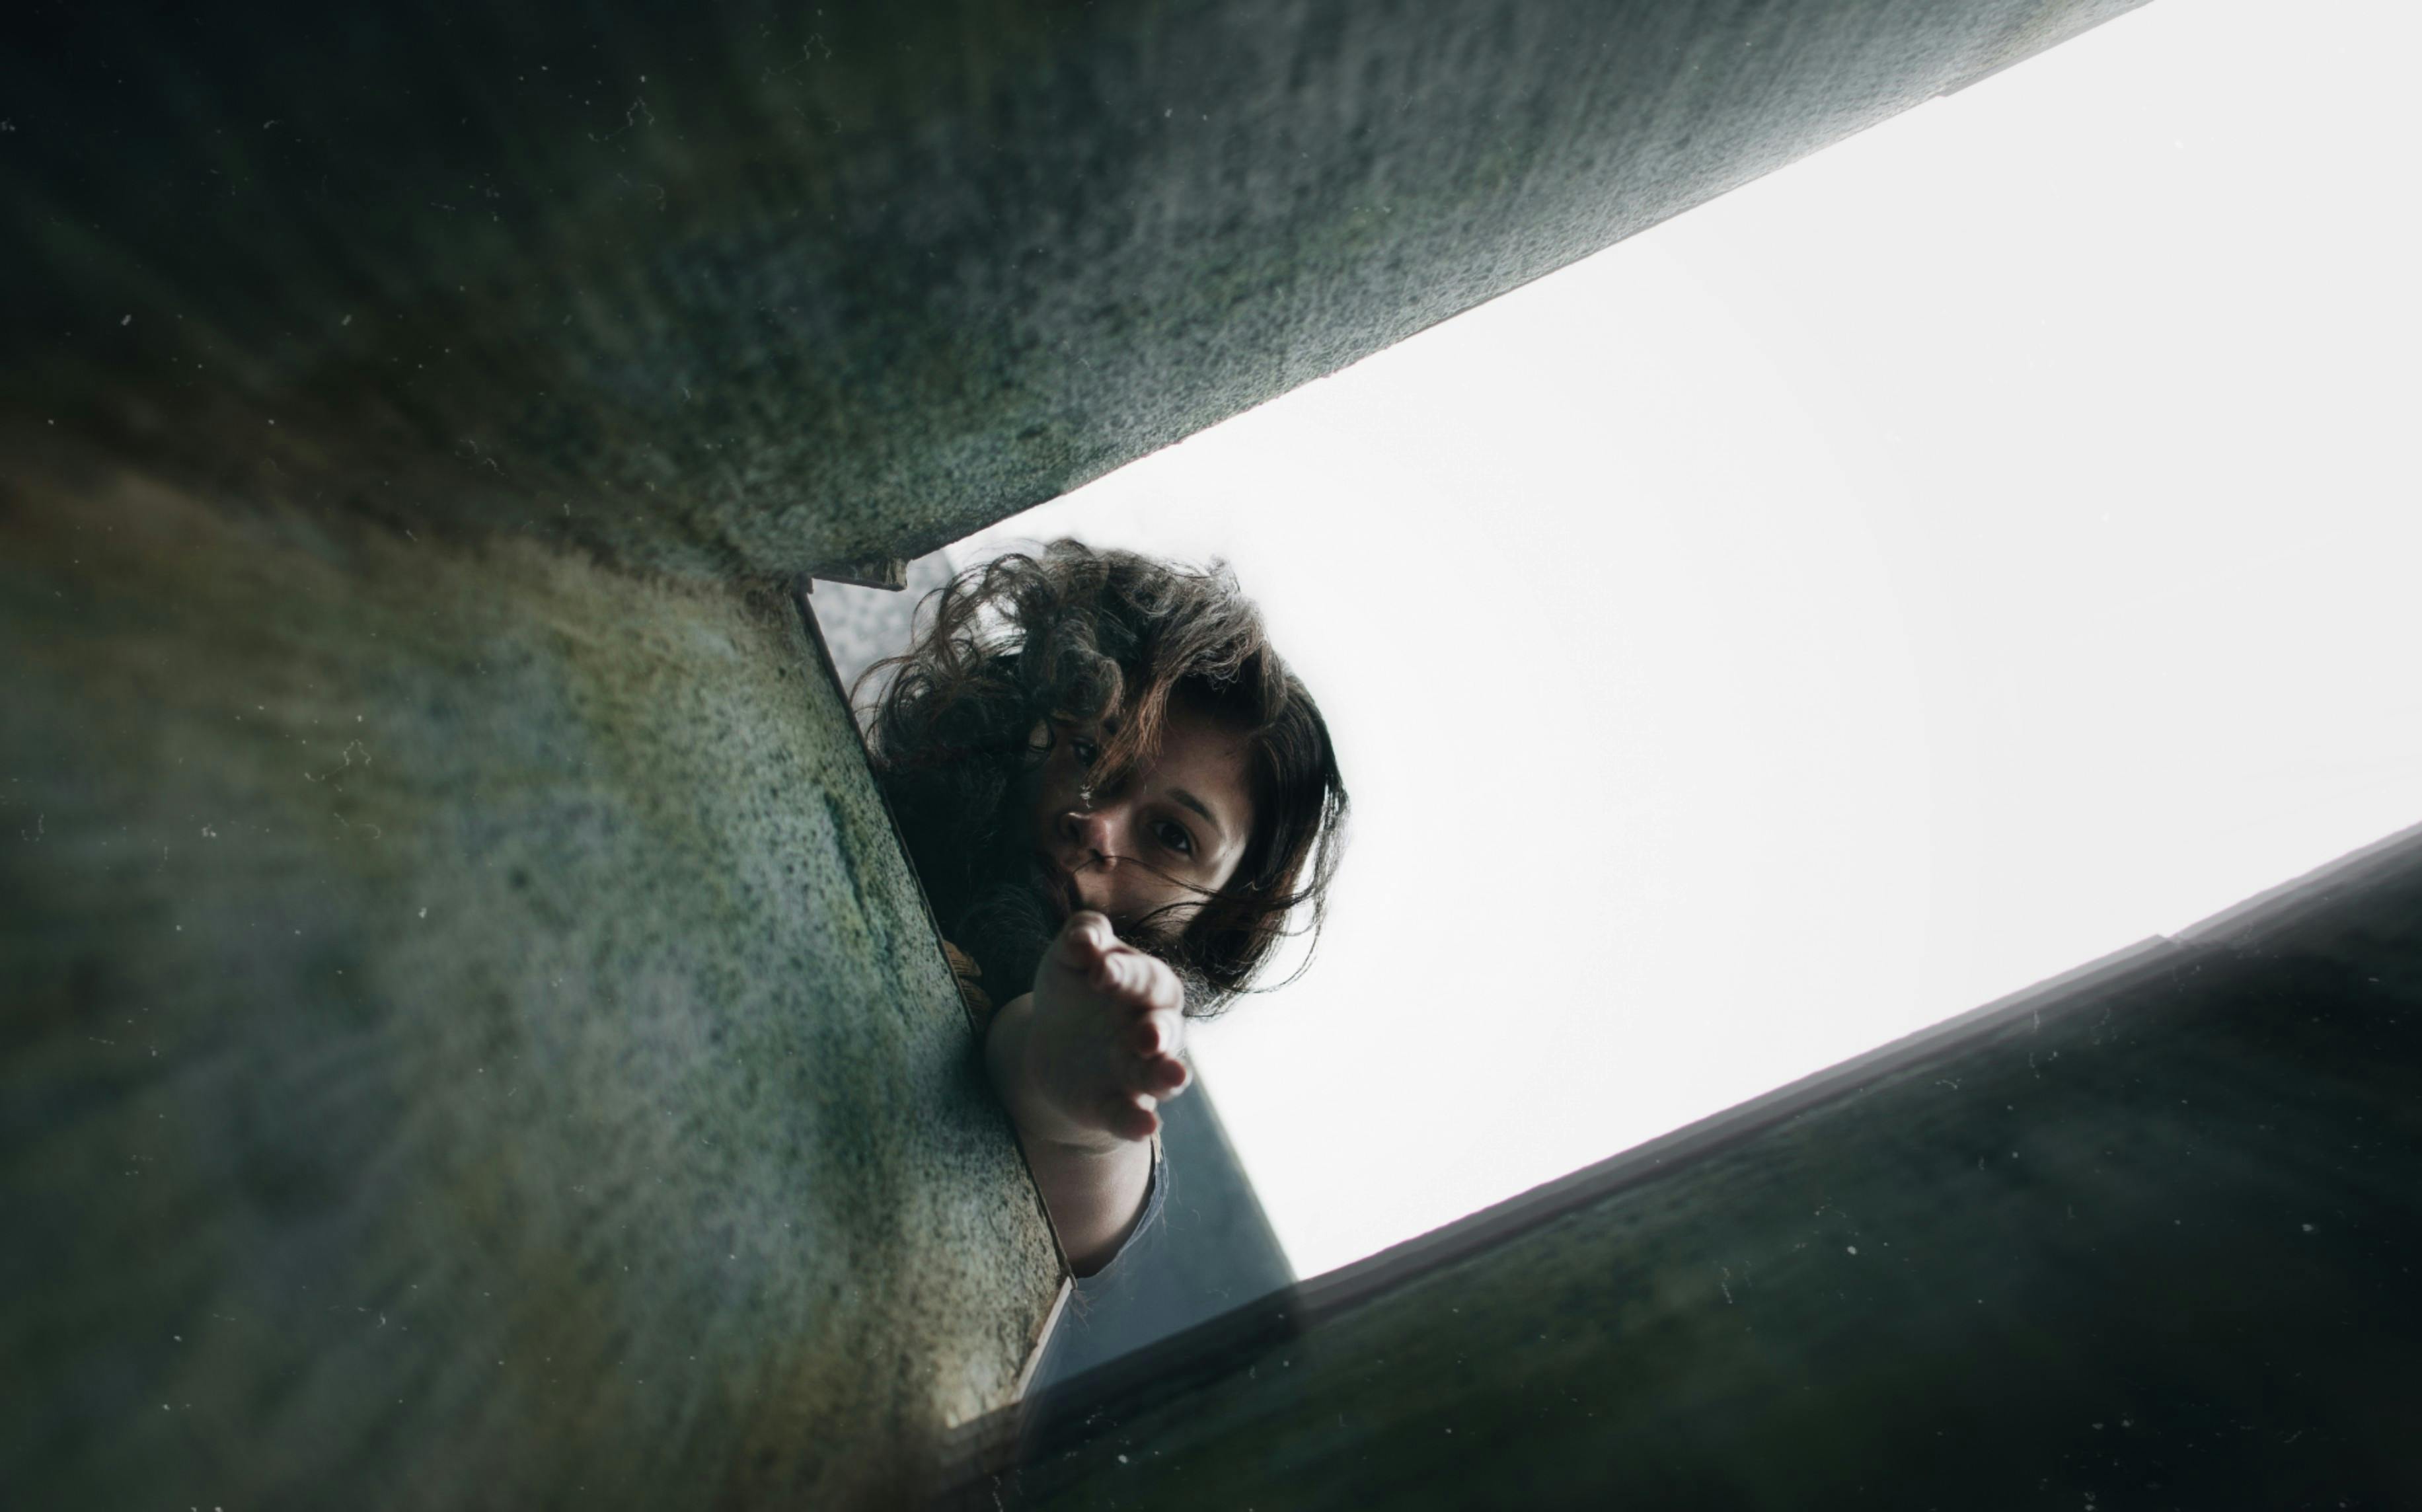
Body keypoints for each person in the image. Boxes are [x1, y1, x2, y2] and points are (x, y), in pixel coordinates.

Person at [858, 541, 1348, 1274]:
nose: (1096, 825)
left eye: (1170, 835)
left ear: (1219, 918)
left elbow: (1073, 1132)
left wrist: (1079, 1075)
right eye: (1091, 754)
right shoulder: (875, 805)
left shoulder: (1117, 1080)